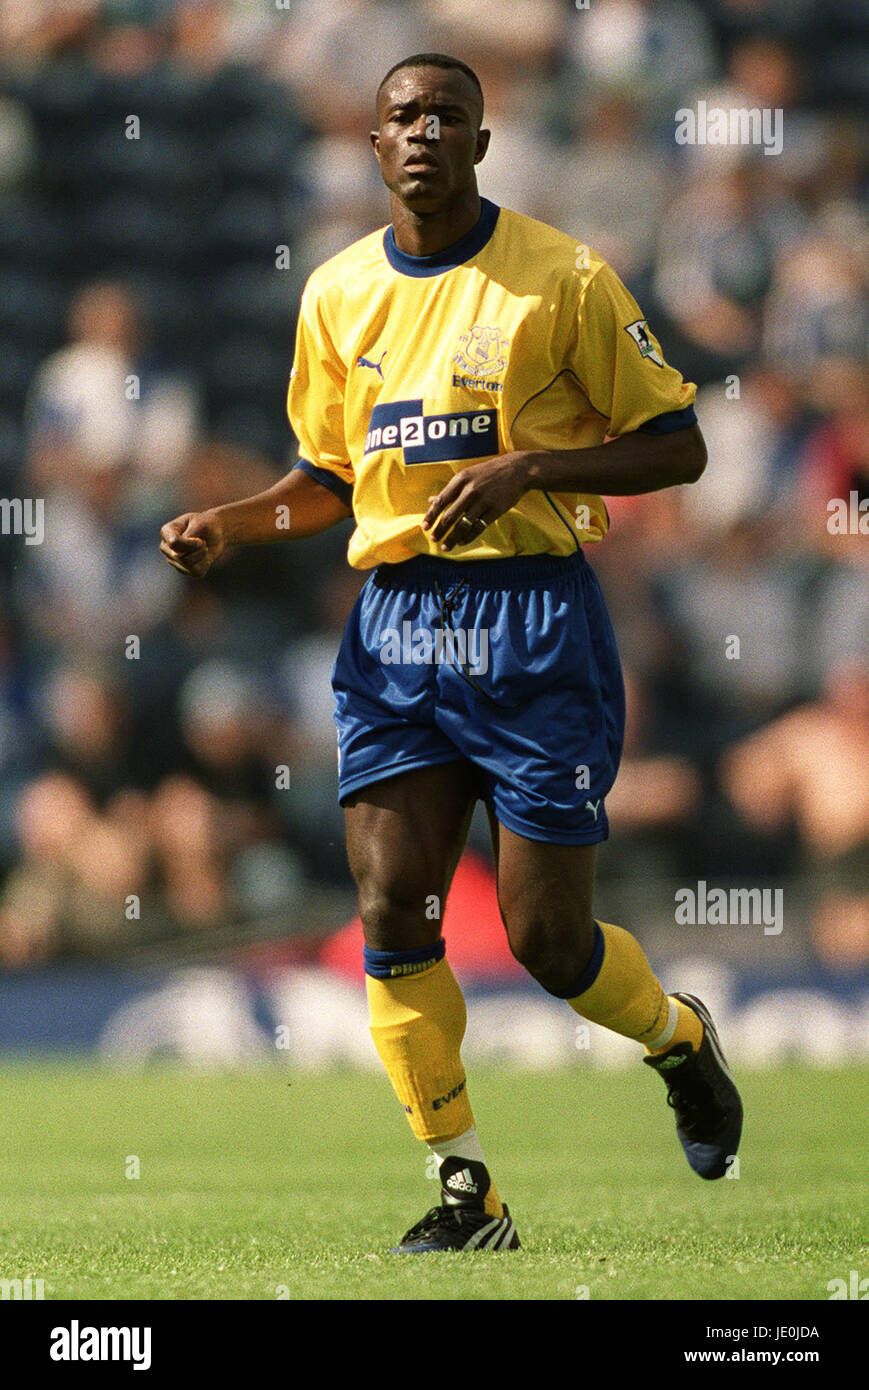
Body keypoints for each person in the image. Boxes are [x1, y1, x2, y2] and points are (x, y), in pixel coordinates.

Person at [161, 53, 743, 1253]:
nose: (423, 132)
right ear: (372, 147)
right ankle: (464, 1187)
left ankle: (678, 1038)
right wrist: (234, 522)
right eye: (401, 117)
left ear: (480, 144)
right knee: (389, 906)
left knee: (546, 943)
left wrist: (533, 466)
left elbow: (675, 443)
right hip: (395, 634)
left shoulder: (561, 279)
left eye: (447, 117)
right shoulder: (333, 294)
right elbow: (327, 479)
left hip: (535, 628)